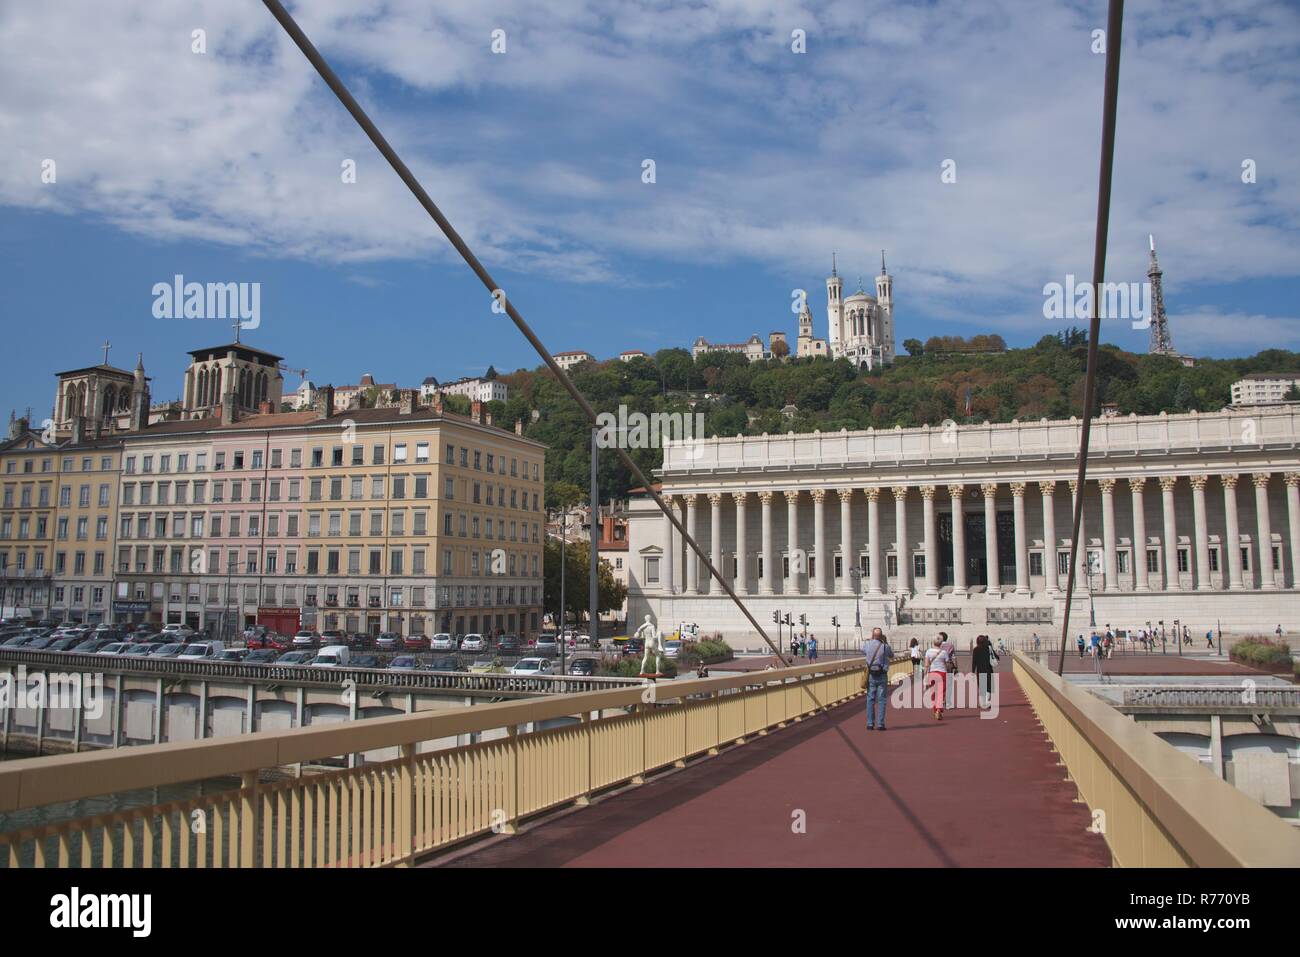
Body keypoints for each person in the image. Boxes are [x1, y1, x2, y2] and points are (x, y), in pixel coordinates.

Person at [863, 627, 894, 730]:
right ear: (881, 636)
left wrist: (870, 639)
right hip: (882, 675)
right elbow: (891, 655)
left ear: (873, 635)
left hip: (871, 675)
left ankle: (870, 723)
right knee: (881, 700)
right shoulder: (885, 646)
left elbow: (861, 649)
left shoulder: (867, 645)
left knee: (870, 699)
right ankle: (880, 724)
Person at [924, 637, 950, 720]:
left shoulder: (928, 651)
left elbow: (926, 664)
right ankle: (939, 709)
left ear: (933, 643)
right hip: (942, 672)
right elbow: (947, 664)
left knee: (933, 693)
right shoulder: (944, 652)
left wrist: (925, 674)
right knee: (941, 693)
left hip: (932, 673)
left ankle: (935, 710)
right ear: (941, 644)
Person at [972, 635, 996, 709]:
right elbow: (994, 656)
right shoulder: (988, 648)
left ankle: (982, 703)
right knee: (989, 686)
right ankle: (987, 702)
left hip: (980, 670)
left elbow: (974, 662)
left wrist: (973, 671)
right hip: (988, 669)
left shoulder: (975, 649)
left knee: (982, 687)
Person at [939, 631, 958, 710]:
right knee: (949, 684)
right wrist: (956, 667)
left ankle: (941, 701)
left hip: (939, 666)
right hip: (948, 665)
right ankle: (948, 703)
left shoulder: (937, 645)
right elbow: (954, 657)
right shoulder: (951, 645)